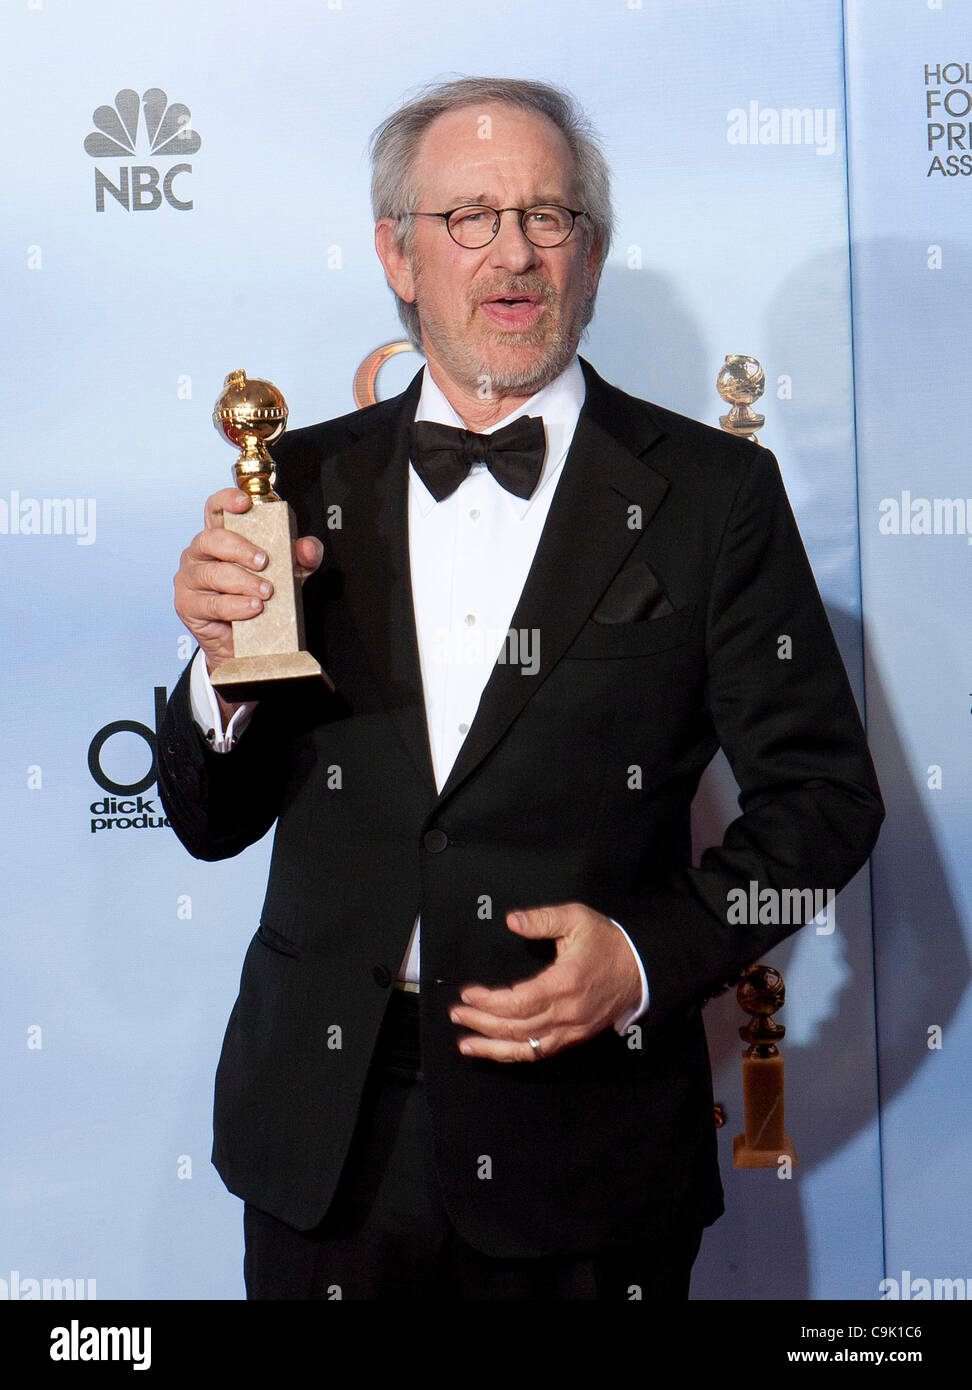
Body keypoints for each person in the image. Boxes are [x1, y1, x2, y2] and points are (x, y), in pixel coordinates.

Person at [159, 77, 883, 1300]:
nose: (514, 255)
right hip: (327, 1138)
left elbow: (825, 801)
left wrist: (650, 957)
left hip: (588, 1139)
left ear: (589, 254)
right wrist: (219, 675)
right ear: (398, 250)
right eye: (471, 217)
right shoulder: (297, 480)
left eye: (548, 218)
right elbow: (209, 821)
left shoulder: (715, 499)